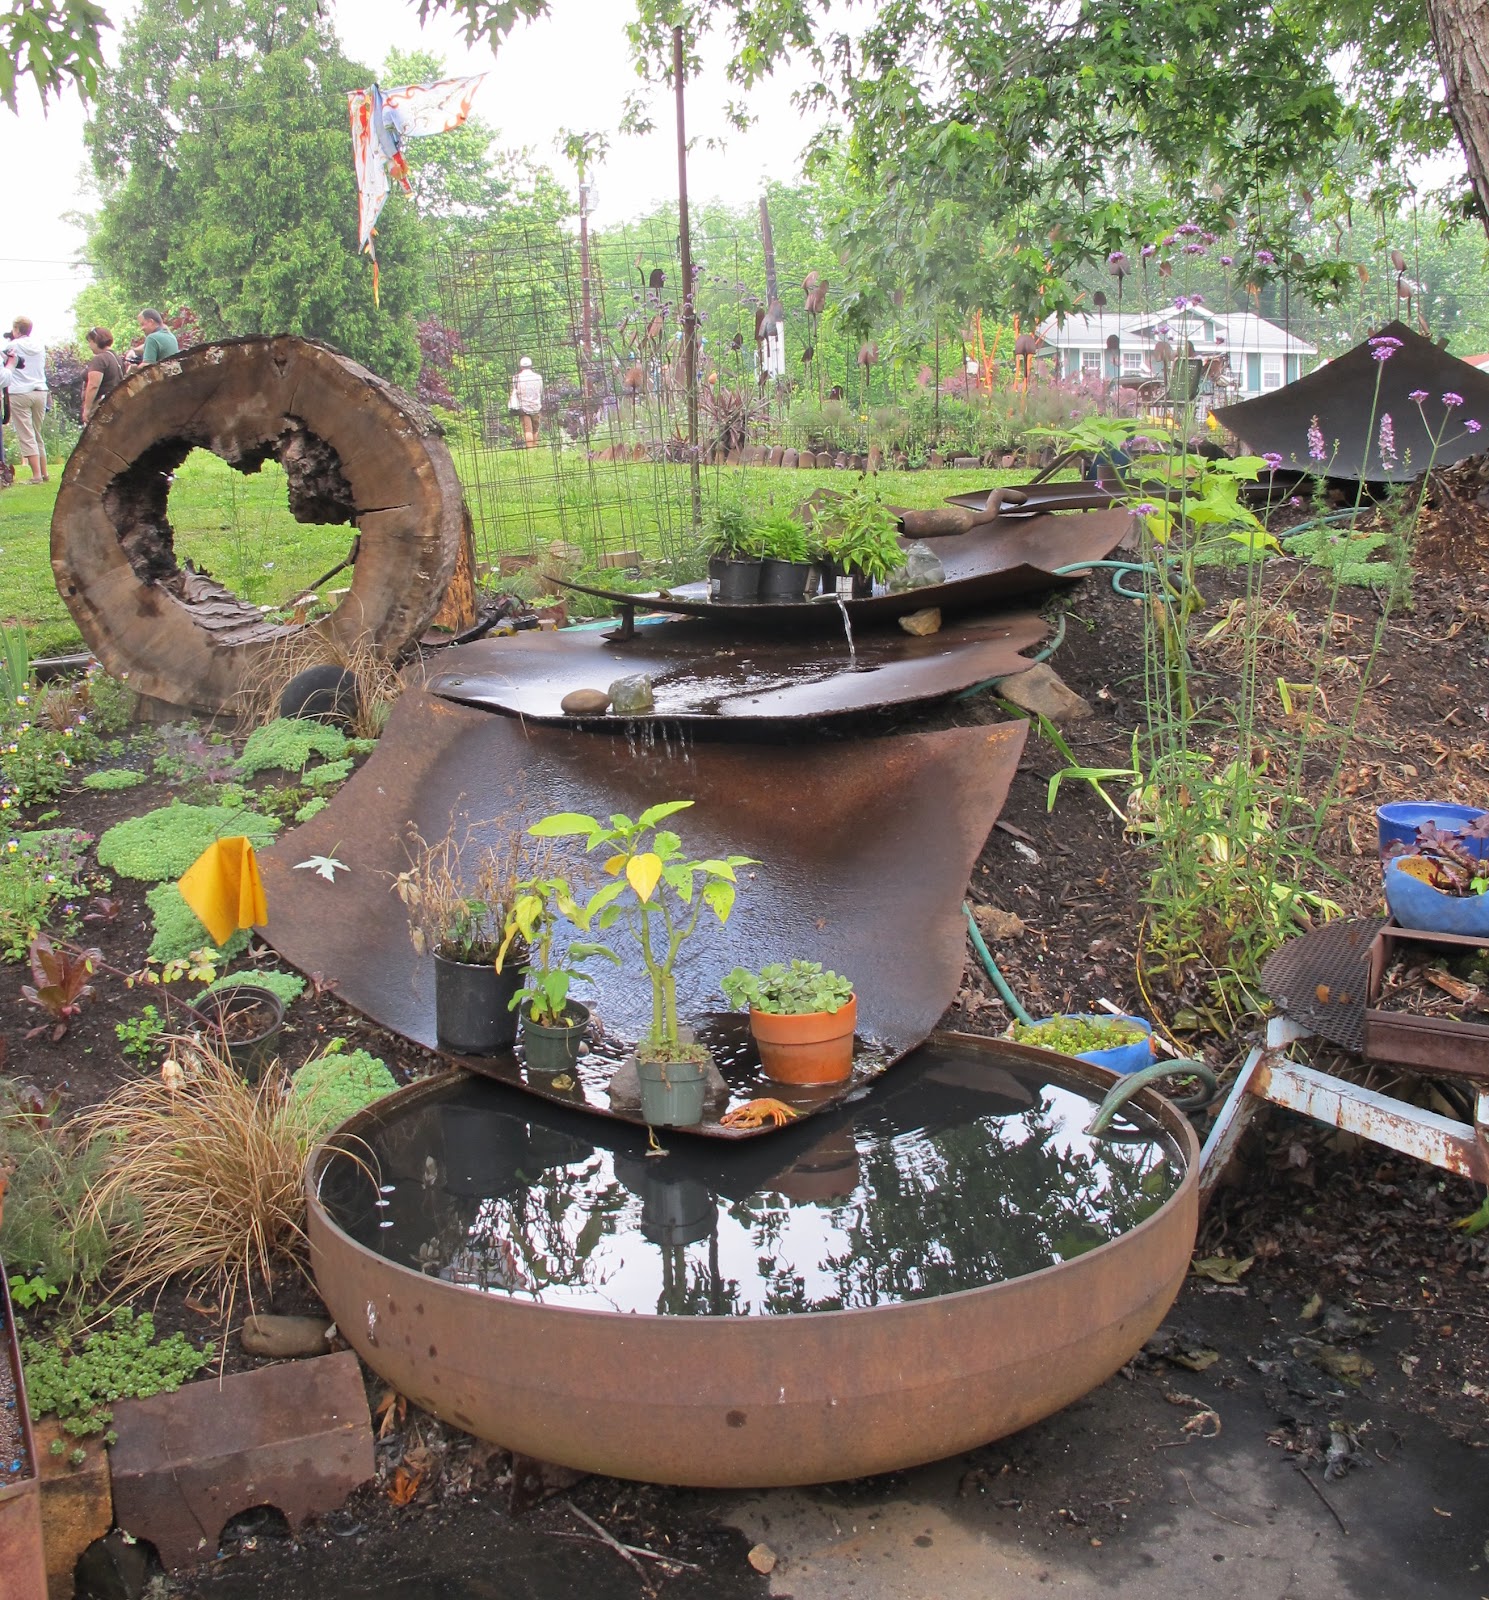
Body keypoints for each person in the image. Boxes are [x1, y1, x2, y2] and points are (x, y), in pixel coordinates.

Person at [2, 316, 49, 483]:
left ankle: (36, 475)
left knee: (26, 434)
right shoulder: (39, 345)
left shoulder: (11, 346)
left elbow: (5, 365)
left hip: (19, 392)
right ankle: (44, 472)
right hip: (40, 391)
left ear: (16, 329)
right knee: (37, 433)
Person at [81, 327, 125, 426]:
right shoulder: (117, 359)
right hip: (114, 404)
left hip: (100, 406)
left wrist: (87, 409)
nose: (89, 345)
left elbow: (93, 385)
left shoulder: (100, 359)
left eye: (90, 342)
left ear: (95, 340)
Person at [511, 355, 543, 448]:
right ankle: (535, 447)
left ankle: (530, 450)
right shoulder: (538, 377)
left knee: (528, 430)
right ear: (531, 365)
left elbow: (515, 391)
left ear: (521, 366)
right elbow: (540, 391)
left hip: (523, 408)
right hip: (536, 406)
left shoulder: (516, 378)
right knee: (535, 429)